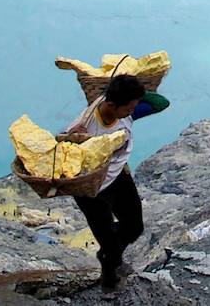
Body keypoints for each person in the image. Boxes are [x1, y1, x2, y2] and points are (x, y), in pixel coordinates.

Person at [57, 74, 169, 288]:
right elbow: (60, 150)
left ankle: (109, 253)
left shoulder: (124, 112)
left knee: (134, 227)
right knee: (109, 243)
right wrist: (71, 138)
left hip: (118, 177)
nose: (132, 111)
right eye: (129, 107)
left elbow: (161, 103)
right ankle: (110, 278)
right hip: (90, 189)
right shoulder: (86, 125)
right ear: (111, 105)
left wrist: (138, 92)